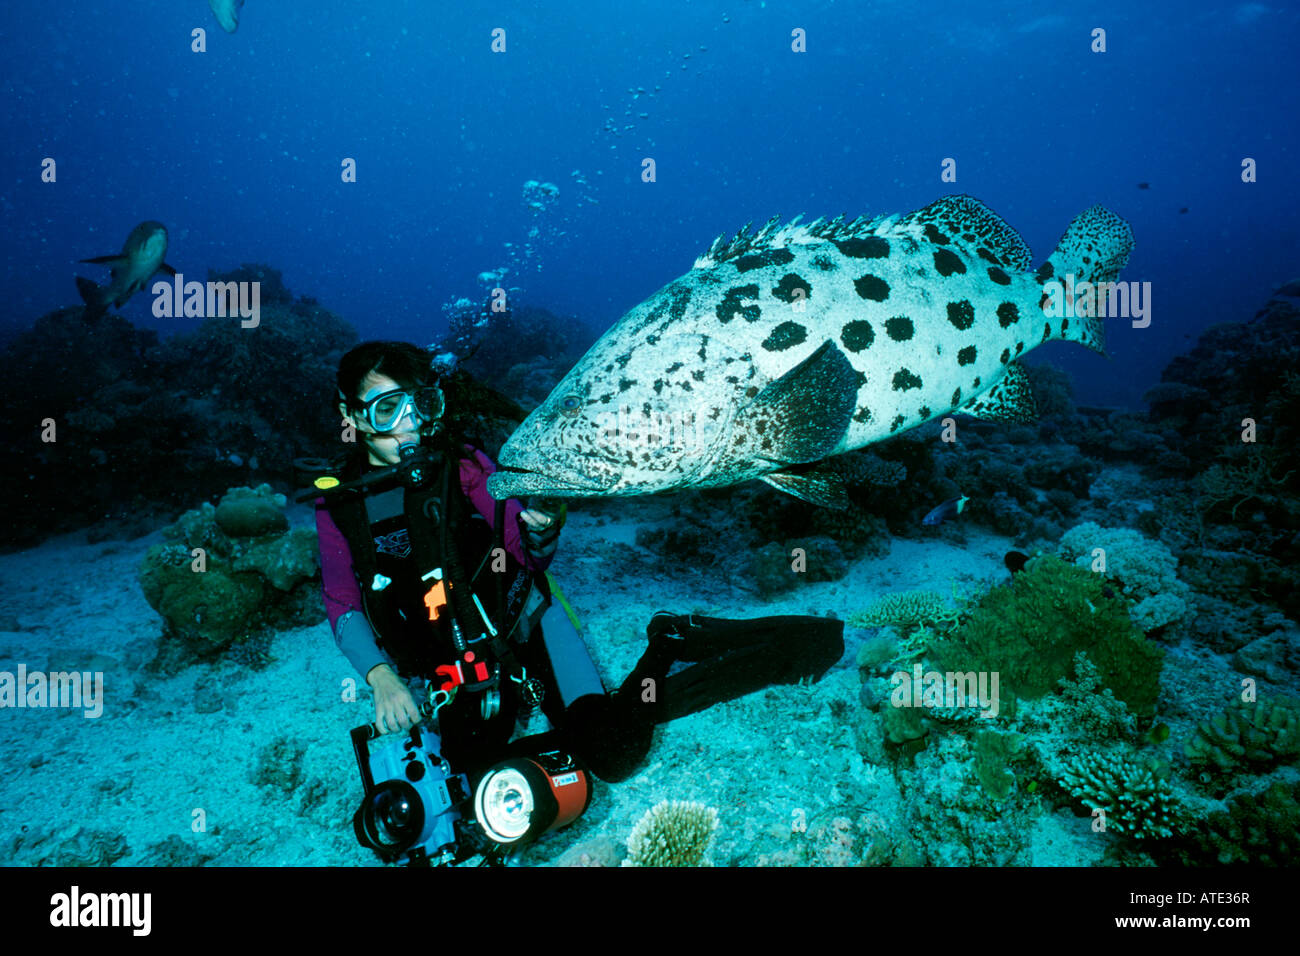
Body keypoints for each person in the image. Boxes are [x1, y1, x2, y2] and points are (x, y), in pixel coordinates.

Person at [314, 340, 845, 786]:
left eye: (422, 405)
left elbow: (525, 556)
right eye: (387, 409)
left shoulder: (467, 466)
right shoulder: (338, 505)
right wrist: (381, 677)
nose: (410, 425)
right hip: (450, 659)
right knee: (470, 775)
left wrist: (542, 527)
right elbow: (341, 602)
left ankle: (671, 642)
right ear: (349, 415)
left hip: (528, 621)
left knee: (613, 754)